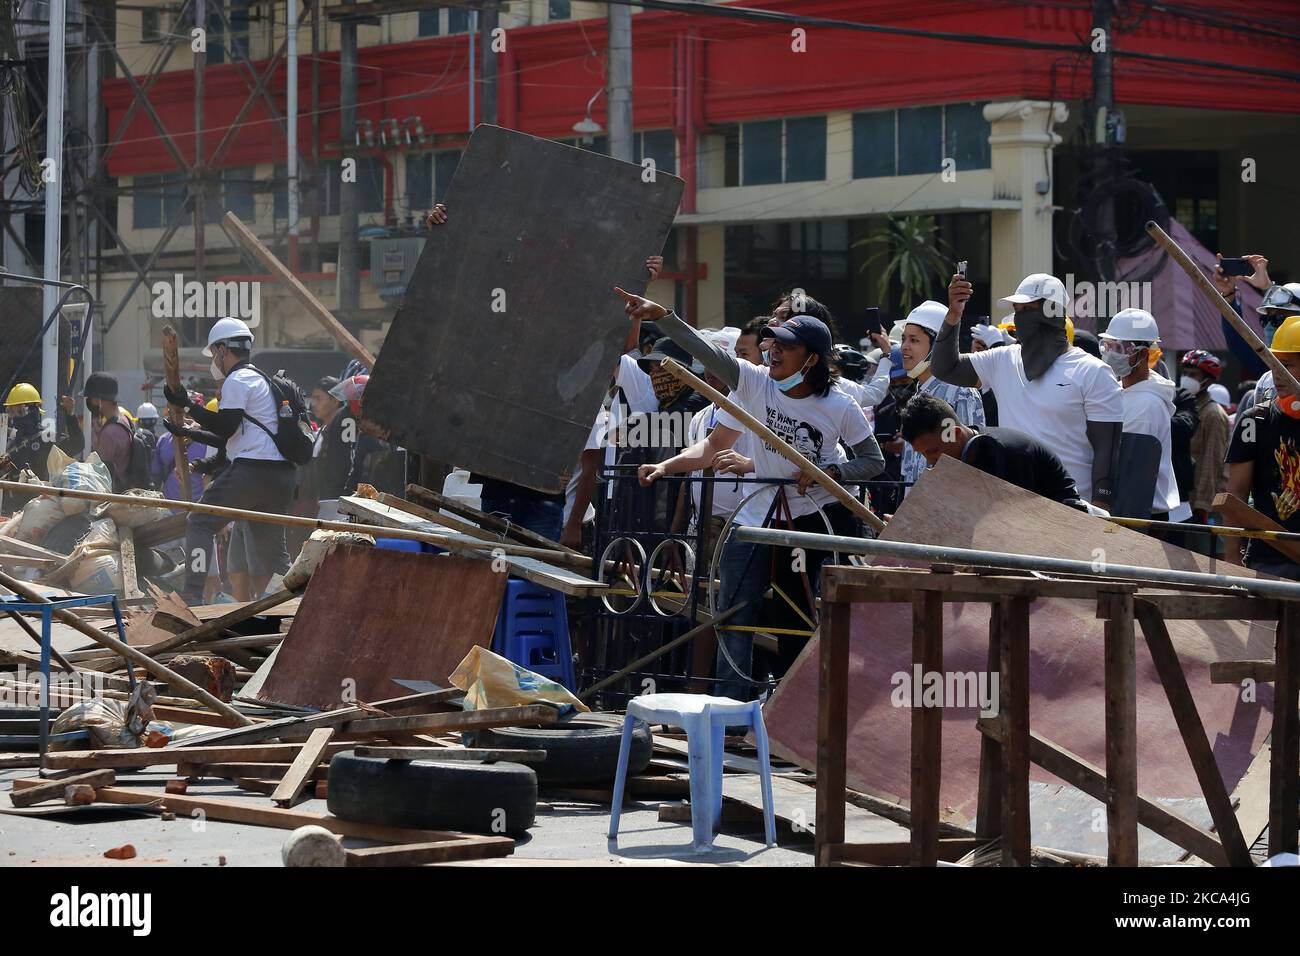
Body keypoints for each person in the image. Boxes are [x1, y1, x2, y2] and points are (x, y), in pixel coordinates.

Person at [617, 287, 884, 700]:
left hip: (812, 519)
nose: (772, 350)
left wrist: (832, 471)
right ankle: (730, 708)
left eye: (786, 346)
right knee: (731, 613)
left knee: (795, 617)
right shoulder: (753, 383)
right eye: (772, 342)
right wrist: (667, 466)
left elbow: (874, 460)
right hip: (756, 517)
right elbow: (712, 438)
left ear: (811, 359)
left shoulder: (839, 405)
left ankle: (796, 712)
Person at [931, 272, 1124, 511]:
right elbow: (944, 368)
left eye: (1027, 309)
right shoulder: (1001, 359)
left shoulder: (1093, 371)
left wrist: (1100, 508)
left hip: (1071, 508)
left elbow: (1107, 449)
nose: (1020, 318)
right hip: (1011, 505)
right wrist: (954, 314)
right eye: (1017, 310)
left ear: (1052, 313)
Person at [163, 317, 297, 604]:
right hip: (281, 477)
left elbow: (225, 426)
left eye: (214, 353)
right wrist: (187, 426)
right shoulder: (262, 380)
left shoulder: (239, 379)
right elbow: (230, 437)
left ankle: (193, 596)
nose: (214, 360)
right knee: (272, 558)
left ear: (224, 350)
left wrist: (187, 405)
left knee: (199, 521)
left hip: (253, 473)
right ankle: (291, 607)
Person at [899, 393, 1085, 509]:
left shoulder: (1006, 452)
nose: (930, 460)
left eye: (933, 451)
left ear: (954, 433)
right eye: (923, 454)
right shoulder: (960, 453)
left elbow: (1016, 517)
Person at [1224, 314, 1300, 580]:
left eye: (1287, 365)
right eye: (1274, 364)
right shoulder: (1255, 420)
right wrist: (1232, 557)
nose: (1276, 374)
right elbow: (1236, 493)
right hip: (1267, 561)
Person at [1099, 309, 1187, 522]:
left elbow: (1133, 474)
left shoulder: (1146, 404)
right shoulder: (1125, 391)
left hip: (1141, 515)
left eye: (1121, 348)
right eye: (1108, 346)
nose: (1112, 353)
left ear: (1143, 354)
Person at [893, 300, 985, 492]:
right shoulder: (918, 395)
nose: (904, 347)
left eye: (914, 340)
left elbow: (967, 460)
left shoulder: (960, 391)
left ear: (937, 346)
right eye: (904, 339)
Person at [1181, 350, 1231, 531]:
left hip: (1204, 503)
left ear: (1207, 380)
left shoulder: (1213, 415)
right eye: (1185, 373)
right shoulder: (1185, 406)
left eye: (1193, 375)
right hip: (1185, 498)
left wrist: (1202, 505)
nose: (1186, 378)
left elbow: (1212, 462)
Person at [83, 372, 138, 492]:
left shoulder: (109, 433)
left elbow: (98, 472)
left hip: (113, 496)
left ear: (99, 400)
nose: (89, 402)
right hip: (125, 491)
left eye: (90, 398)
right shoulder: (125, 420)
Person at [2, 383, 55, 481]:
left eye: (16, 411)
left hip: (38, 494)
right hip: (14, 493)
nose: (13, 417)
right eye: (10, 411)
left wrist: (70, 417)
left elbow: (77, 444)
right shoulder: (11, 439)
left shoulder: (47, 438)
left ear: (29, 409)